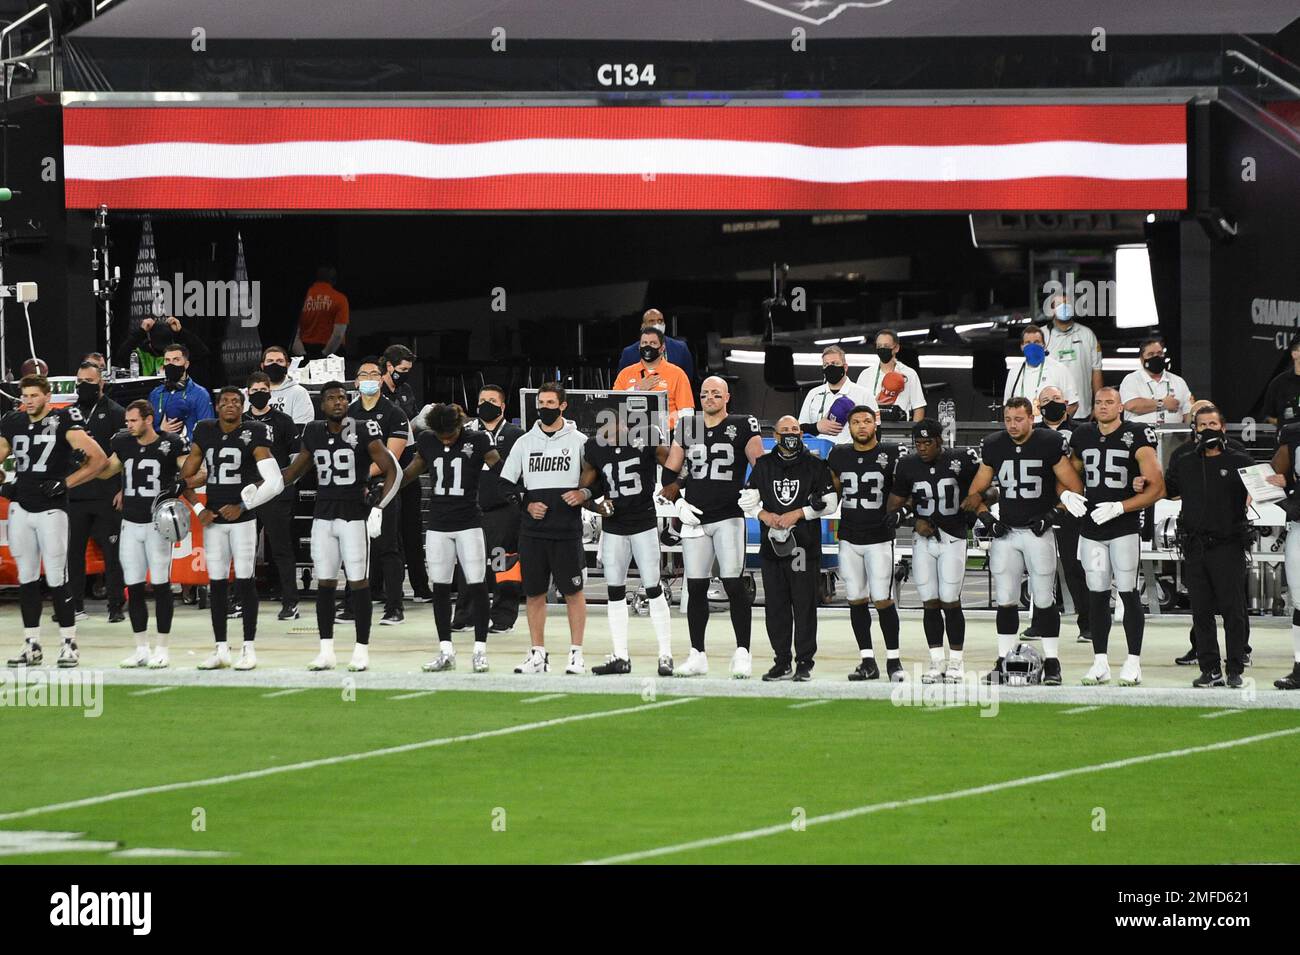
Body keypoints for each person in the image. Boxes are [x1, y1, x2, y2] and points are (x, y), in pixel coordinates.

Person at [963, 397, 1084, 685]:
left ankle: (1053, 662)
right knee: (1005, 600)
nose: (1013, 425)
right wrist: (987, 518)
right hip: (1007, 532)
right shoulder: (994, 444)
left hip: (1037, 532)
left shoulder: (1049, 442)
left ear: (1032, 418)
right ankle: (1003, 660)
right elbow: (975, 493)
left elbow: (1075, 488)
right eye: (1008, 419)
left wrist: (1053, 514)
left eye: (1019, 419)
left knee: (1044, 598)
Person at [279, 381, 399, 673]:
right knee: (325, 584)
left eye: (343, 397)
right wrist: (261, 484)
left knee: (358, 582)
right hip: (323, 516)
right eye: (332, 398)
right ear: (322, 405)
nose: (338, 402)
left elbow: (392, 467)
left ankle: (361, 650)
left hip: (354, 516)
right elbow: (294, 472)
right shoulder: (314, 431)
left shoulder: (363, 428)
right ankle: (326, 651)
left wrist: (378, 506)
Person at [1, 375, 108, 668]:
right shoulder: (13, 421)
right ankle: (31, 644)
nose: (29, 400)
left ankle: (68, 644)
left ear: (48, 396)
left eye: (34, 395)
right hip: (21, 509)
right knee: (26, 579)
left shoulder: (63, 420)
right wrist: (4, 483)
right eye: (25, 395)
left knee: (58, 578)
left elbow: (98, 459)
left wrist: (66, 483)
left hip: (51, 510)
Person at [1065, 387, 1165, 685]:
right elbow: (1066, 476)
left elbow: (1156, 487)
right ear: (1092, 407)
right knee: (1096, 594)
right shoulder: (1082, 435)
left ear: (1121, 406)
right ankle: (1100, 662)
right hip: (1092, 526)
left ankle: (1133, 662)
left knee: (1127, 591)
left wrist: (1121, 506)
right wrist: (1067, 495)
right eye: (1098, 402)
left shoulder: (1137, 434)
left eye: (1110, 402)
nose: (1104, 407)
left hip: (1123, 527)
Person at [499, 382, 600, 675]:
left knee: (573, 592)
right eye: (540, 403)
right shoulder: (524, 442)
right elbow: (506, 483)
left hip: (567, 531)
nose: (544, 408)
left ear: (563, 405)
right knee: (533, 593)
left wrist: (584, 494)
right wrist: (526, 504)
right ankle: (537, 654)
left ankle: (576, 654)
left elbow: (597, 479)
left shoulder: (580, 440)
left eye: (550, 403)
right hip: (532, 532)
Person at [182, 386, 284, 671]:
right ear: (216, 407)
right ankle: (220, 648)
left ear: (243, 407)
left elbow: (272, 480)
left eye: (235, 402)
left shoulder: (254, 432)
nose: (230, 405)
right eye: (225, 401)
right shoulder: (204, 430)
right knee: (216, 584)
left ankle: (248, 649)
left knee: (245, 581)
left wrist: (243, 505)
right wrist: (200, 510)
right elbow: (184, 479)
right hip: (214, 518)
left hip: (242, 520)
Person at [670, 376, 765, 678]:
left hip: (728, 515)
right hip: (696, 515)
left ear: (727, 397)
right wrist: (678, 502)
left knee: (733, 583)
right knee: (695, 586)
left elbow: (759, 463)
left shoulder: (742, 423)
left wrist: (753, 489)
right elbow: (670, 472)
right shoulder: (689, 425)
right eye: (705, 394)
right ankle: (697, 653)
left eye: (715, 393)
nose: (709, 398)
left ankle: (743, 652)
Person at [400, 403, 502, 673]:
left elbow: (501, 468)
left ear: (460, 426)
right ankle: (446, 649)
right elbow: (411, 471)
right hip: (437, 524)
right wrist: (386, 490)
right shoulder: (427, 440)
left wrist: (521, 491)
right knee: (441, 588)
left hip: (469, 521)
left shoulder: (478, 439)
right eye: (441, 434)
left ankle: (480, 650)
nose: (446, 439)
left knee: (478, 585)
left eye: (450, 433)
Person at [97, 399, 198, 669]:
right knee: (135, 586)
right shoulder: (123, 442)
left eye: (133, 420)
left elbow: (194, 472)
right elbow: (107, 470)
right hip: (129, 523)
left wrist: (180, 485)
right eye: (127, 421)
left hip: (156, 524)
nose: (128, 425)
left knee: (163, 584)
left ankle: (162, 647)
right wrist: (87, 461)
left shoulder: (171, 443)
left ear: (148, 419)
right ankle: (141, 648)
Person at [583, 411, 684, 675]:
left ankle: (665, 654)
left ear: (625, 424)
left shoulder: (646, 440)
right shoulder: (594, 448)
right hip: (614, 527)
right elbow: (584, 489)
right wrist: (595, 505)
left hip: (643, 523)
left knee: (653, 588)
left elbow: (675, 466)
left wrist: (677, 485)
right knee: (614, 591)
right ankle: (620, 655)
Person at [1164, 404, 1254, 687]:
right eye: (1202, 425)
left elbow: (1261, 492)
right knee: (1201, 611)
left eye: (1213, 424)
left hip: (1229, 545)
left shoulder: (1241, 460)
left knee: (1233, 610)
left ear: (1223, 428)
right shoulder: (1185, 460)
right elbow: (1168, 489)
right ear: (1194, 430)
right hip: (1194, 545)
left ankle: (1236, 668)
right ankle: (1209, 668)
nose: (1208, 430)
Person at [742, 416, 837, 682]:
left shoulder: (815, 464)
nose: (791, 434)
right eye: (786, 430)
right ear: (776, 434)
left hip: (802, 549)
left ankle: (804, 662)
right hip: (772, 547)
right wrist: (764, 516)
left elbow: (829, 502)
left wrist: (799, 513)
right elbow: (747, 499)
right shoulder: (764, 465)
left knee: (804, 604)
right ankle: (781, 660)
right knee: (776, 605)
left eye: (795, 429)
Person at [887, 419, 980, 681]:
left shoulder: (961, 459)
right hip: (923, 540)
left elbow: (987, 490)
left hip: (953, 537)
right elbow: (893, 506)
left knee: (950, 600)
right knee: (929, 602)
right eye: (919, 443)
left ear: (940, 440)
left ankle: (956, 663)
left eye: (928, 442)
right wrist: (913, 520)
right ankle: (937, 661)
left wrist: (974, 502)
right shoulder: (907, 464)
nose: (923, 448)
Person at [827, 405, 905, 681]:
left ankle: (894, 661)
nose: (861, 426)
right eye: (856, 422)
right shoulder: (839, 455)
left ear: (875, 424)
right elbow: (831, 492)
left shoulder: (892, 454)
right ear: (849, 427)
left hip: (879, 538)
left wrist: (902, 513)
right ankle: (867, 660)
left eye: (867, 421)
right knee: (856, 599)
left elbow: (905, 488)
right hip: (849, 537)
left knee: (883, 599)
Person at [448, 386, 525, 633]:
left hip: (504, 509)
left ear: (503, 406)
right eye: (482, 400)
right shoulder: (465, 432)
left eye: (492, 400)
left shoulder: (517, 434)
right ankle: (466, 614)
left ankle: (503, 617)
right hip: (470, 508)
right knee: (468, 562)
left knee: (504, 562)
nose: (486, 404)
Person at [344, 357, 410, 626]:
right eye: (364, 374)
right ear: (356, 381)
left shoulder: (395, 413)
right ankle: (352, 605)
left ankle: (394, 607)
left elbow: (391, 458)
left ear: (382, 379)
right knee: (354, 547)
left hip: (384, 487)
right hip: (353, 488)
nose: (369, 378)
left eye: (374, 374)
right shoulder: (349, 413)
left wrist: (362, 474)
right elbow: (344, 450)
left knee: (388, 547)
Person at [65, 361, 127, 623]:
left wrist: (124, 488)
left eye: (89, 382)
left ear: (101, 383)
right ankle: (75, 605)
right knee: (74, 553)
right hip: (77, 495)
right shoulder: (68, 414)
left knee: (113, 554)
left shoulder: (116, 412)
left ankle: (116, 606)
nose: (83, 386)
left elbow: (125, 453)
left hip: (107, 494)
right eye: (79, 382)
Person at [1032, 384, 1090, 644]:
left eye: (1057, 398)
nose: (1052, 402)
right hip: (1040, 505)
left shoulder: (1083, 432)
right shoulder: (1032, 434)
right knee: (1040, 568)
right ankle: (1040, 622)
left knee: (1074, 566)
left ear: (1066, 402)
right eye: (1047, 399)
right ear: (1038, 405)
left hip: (1074, 505)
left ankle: (1087, 623)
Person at [374, 344, 429, 604]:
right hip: (383, 468)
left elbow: (411, 426)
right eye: (402, 369)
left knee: (412, 525)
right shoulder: (375, 391)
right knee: (386, 531)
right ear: (389, 367)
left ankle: (420, 586)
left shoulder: (405, 390)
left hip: (407, 466)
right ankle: (379, 587)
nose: (405, 374)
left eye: (409, 369)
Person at [245, 370, 302, 620]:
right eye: (255, 390)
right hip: (247, 494)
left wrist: (283, 482)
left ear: (270, 391)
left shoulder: (284, 421)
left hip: (276, 492)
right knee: (244, 549)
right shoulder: (241, 422)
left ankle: (291, 602)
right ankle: (240, 600)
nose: (259, 393)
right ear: (248, 393)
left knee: (281, 549)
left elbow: (295, 459)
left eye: (263, 389)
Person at [1267, 421, 1300, 689]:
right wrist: (1282, 481)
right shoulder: (1293, 432)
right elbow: (1274, 472)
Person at [613, 325, 695, 428]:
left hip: (667, 435)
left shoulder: (678, 374)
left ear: (662, 348)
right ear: (639, 347)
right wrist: (636, 389)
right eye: (644, 343)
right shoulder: (625, 373)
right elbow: (614, 406)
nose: (648, 347)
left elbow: (687, 413)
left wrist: (667, 429)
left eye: (653, 343)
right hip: (631, 434)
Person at [1041, 293, 1104, 421]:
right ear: (1052, 309)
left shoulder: (1087, 334)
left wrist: (1099, 405)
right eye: (1059, 304)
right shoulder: (1042, 335)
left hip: (1083, 411)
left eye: (1067, 304)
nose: (1064, 307)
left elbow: (1096, 372)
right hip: (1049, 412)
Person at [798, 345, 876, 443]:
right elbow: (799, 429)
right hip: (818, 453)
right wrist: (817, 427)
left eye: (835, 363)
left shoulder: (864, 394)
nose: (830, 367)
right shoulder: (813, 394)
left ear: (845, 367)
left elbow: (876, 431)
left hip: (850, 453)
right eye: (826, 365)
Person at [1003, 325, 1077, 420]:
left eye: (1036, 342)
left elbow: (1073, 404)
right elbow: (1007, 407)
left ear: (1044, 345)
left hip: (1050, 431)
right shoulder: (1014, 372)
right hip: (1023, 430)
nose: (1032, 346)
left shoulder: (1059, 369)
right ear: (1022, 347)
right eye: (1028, 343)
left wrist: (1057, 426)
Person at [1120, 335, 1192, 425]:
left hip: (1173, 434)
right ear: (1142, 359)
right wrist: (1163, 404)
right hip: (1140, 434)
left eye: (1159, 353)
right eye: (1151, 354)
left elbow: (1188, 412)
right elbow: (1132, 405)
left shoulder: (1178, 381)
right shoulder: (1131, 379)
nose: (1156, 357)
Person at [148, 342, 214, 440]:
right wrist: (160, 430)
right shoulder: (155, 394)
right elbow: (146, 428)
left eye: (176, 360)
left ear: (186, 364)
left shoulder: (200, 394)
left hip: (188, 451)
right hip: (159, 449)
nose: (171, 364)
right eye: (167, 360)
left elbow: (208, 430)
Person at [857, 329, 926, 421]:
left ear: (896, 348)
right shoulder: (865, 375)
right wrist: (874, 404)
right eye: (879, 346)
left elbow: (919, 407)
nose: (882, 349)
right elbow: (856, 408)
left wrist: (913, 433)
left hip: (901, 430)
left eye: (886, 346)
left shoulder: (909, 374)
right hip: (873, 430)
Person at [115, 315, 210, 380]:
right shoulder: (140, 355)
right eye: (158, 349)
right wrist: (141, 331)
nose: (162, 352)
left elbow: (202, 353)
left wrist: (181, 332)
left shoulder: (177, 352)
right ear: (150, 342)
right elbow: (121, 355)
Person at [618, 308, 695, 384]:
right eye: (652, 321)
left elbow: (688, 380)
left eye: (660, 321)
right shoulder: (629, 353)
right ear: (643, 326)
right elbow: (622, 385)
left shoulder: (681, 348)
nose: (657, 324)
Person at [292, 266, 349, 359]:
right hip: (331, 351)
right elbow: (338, 333)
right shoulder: (340, 299)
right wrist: (325, 354)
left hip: (305, 348)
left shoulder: (303, 298)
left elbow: (294, 332)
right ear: (334, 280)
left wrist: (302, 355)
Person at [253, 345, 314, 427]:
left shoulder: (299, 393)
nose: (274, 365)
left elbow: (303, 427)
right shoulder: (250, 392)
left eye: (280, 361)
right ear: (262, 366)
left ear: (287, 365)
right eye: (270, 361)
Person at [1263, 332, 1300, 425]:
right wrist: (1286, 424)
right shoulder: (1278, 383)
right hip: (1288, 438)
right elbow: (1269, 415)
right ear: (1294, 354)